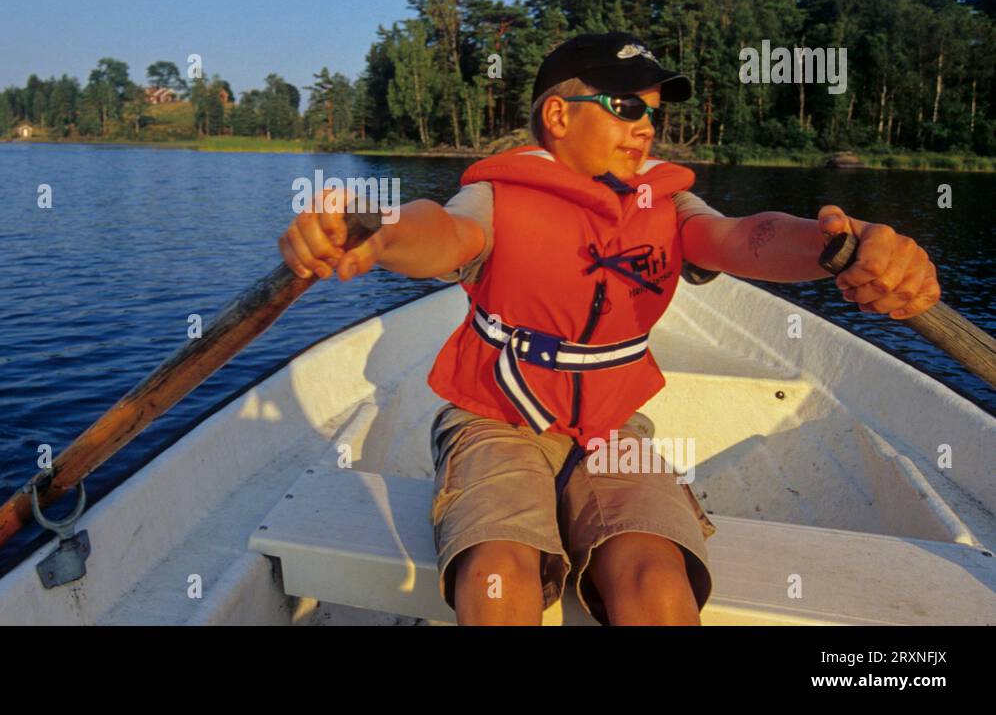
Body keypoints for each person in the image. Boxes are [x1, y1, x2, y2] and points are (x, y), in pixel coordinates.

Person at [278, 31, 940, 625]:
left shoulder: (668, 201)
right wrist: (381, 230)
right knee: (498, 575)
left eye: (654, 111)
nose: (647, 127)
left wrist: (839, 248)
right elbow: (443, 234)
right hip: (494, 417)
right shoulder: (498, 195)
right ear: (559, 115)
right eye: (626, 107)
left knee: (655, 578)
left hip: (611, 425)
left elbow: (745, 238)